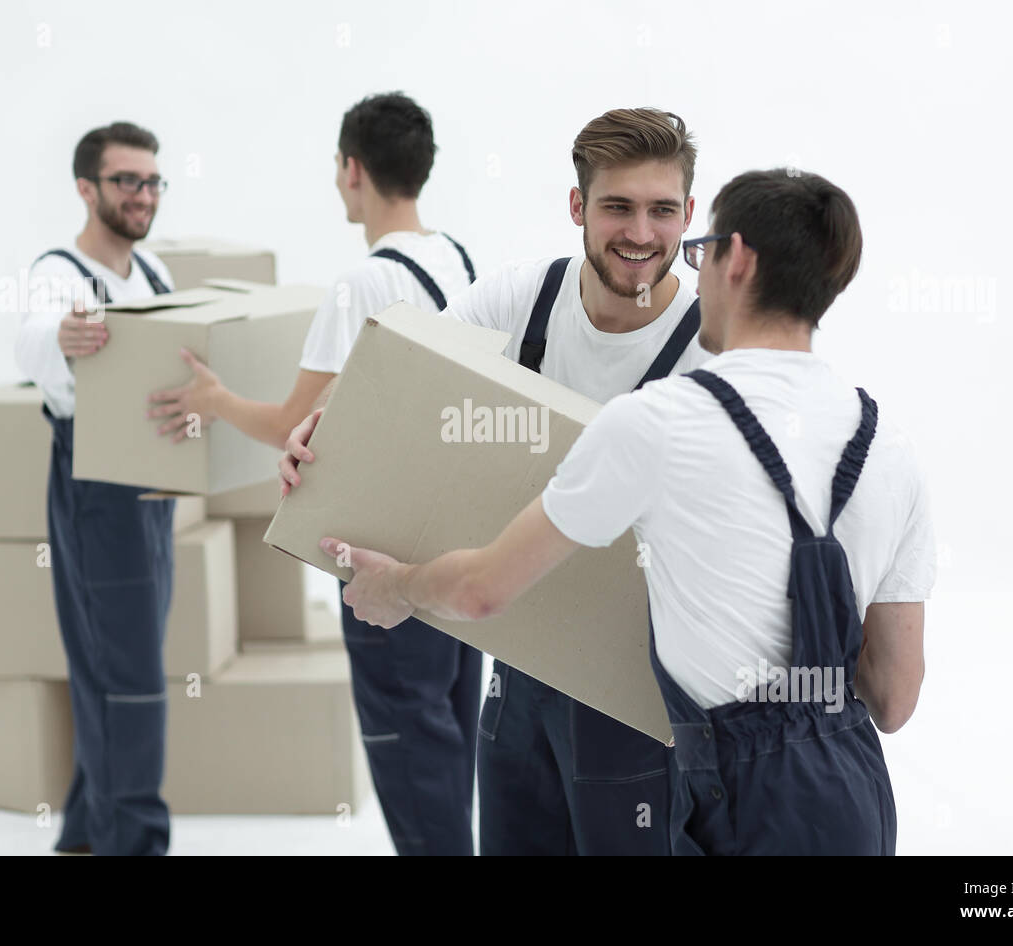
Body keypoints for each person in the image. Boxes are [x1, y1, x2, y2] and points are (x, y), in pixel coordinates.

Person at [323, 167, 935, 856]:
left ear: (738, 260)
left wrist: (397, 586)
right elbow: (893, 697)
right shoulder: (891, 448)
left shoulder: (656, 425)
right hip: (853, 801)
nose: (692, 275)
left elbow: (482, 591)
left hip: (730, 805)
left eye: (700, 252)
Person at [282, 108, 707, 855]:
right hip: (516, 676)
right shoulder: (523, 299)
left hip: (638, 698)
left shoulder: (714, 344)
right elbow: (405, 386)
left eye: (661, 210)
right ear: (577, 207)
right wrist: (322, 433)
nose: (640, 231)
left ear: (688, 215)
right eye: (616, 206)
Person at [146, 93, 481, 856]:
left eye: (338, 166)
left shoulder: (360, 284)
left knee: (408, 736)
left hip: (379, 538)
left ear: (353, 168)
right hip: (457, 528)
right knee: (450, 727)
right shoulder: (456, 257)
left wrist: (214, 398)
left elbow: (295, 421)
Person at [15, 121, 177, 856]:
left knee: (122, 664)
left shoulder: (153, 276)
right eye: (126, 181)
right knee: (126, 677)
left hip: (152, 487)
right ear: (87, 188)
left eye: (151, 181)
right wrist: (61, 338)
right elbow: (33, 337)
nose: (142, 195)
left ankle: (84, 836)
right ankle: (133, 843)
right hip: (98, 488)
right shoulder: (59, 273)